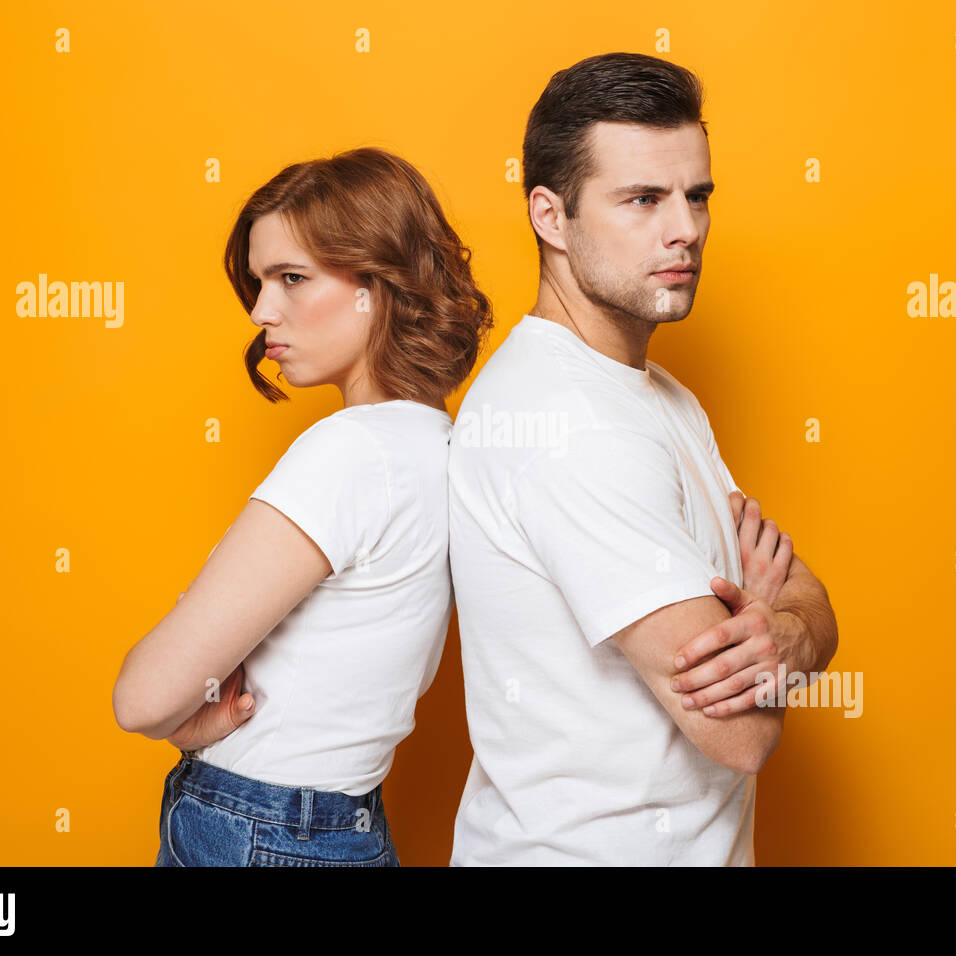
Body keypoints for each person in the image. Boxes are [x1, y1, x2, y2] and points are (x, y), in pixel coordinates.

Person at [446, 52, 840, 865]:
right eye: (643, 199)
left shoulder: (654, 393)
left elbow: (797, 589)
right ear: (550, 218)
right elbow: (741, 734)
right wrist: (769, 622)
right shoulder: (564, 420)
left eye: (697, 196)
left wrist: (786, 630)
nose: (685, 229)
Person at [111, 147, 493, 866]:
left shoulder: (349, 452)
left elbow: (141, 697)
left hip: (255, 829)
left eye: (292, 278)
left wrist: (185, 721)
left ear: (379, 285)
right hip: (342, 827)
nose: (261, 311)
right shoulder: (446, 448)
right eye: (260, 282)